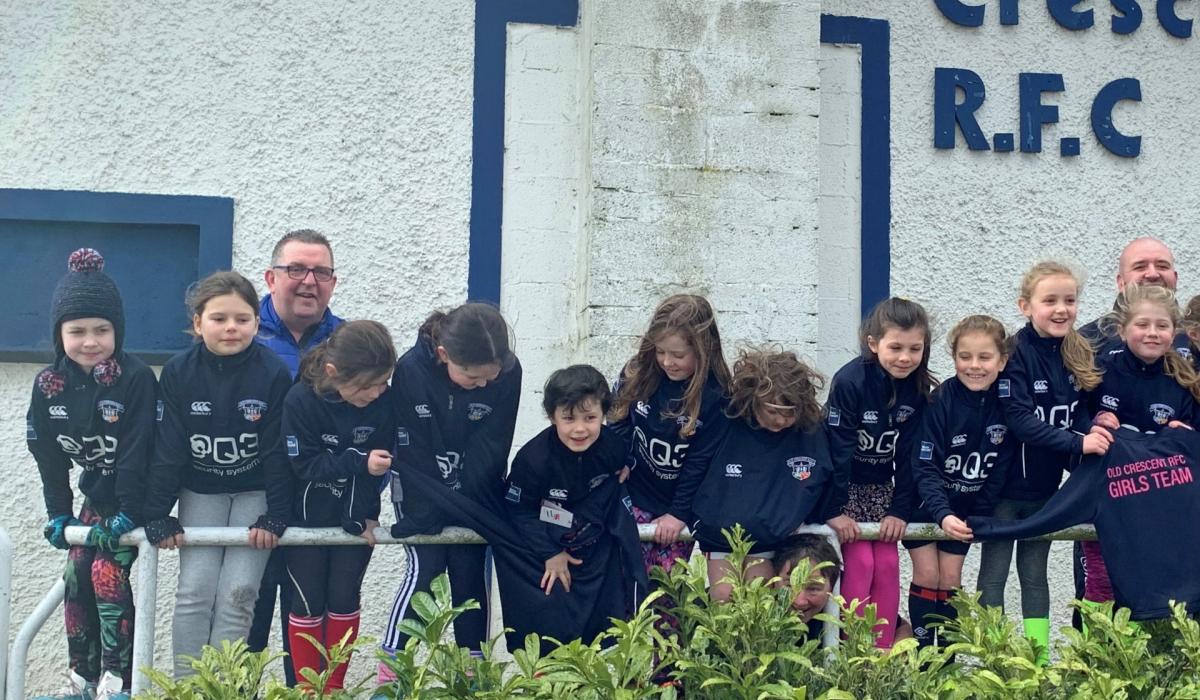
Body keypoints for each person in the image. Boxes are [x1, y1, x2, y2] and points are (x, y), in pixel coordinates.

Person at [141, 271, 292, 676]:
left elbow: (279, 452)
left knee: (239, 595)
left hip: (253, 494)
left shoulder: (274, 372)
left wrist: (277, 513)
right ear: (197, 323)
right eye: (219, 318)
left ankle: (221, 688)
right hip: (201, 492)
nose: (231, 328)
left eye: (242, 319)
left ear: (257, 324)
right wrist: (158, 512)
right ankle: (189, 687)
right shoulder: (177, 372)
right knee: (195, 592)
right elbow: (168, 447)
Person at [26, 249, 157, 700]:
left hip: (135, 497)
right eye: (76, 331)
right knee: (76, 574)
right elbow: (49, 457)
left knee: (107, 574)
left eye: (102, 330)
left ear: (117, 332)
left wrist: (129, 512)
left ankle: (117, 679)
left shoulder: (135, 378)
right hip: (94, 498)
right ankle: (81, 675)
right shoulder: (48, 386)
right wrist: (59, 514)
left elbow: (139, 454)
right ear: (59, 333)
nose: (90, 341)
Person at [976, 261, 1108, 660]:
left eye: (1069, 300)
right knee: (994, 576)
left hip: (1045, 492)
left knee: (1035, 578)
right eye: (1049, 300)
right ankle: (992, 660)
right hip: (1002, 492)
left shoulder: (1076, 350)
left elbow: (1079, 413)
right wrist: (1079, 442)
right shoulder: (1013, 355)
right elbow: (1021, 422)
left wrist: (1097, 431)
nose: (1061, 309)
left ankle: (1037, 660)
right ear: (1025, 306)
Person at [381, 303, 522, 677]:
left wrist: (465, 499)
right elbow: (413, 447)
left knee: (469, 570)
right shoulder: (411, 370)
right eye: (473, 378)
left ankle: (473, 676)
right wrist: (433, 507)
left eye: (490, 378)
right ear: (444, 355)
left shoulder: (508, 373)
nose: (484, 385)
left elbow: (494, 443)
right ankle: (393, 673)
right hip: (419, 486)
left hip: (475, 491)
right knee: (425, 569)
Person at [970, 425, 1200, 623]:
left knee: (1035, 577)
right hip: (1014, 495)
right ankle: (1077, 661)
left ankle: (1046, 659)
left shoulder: (1187, 440)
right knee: (1098, 584)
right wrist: (1084, 435)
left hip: (1054, 488)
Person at [250, 230, 344, 685]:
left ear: (333, 281)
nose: (309, 281)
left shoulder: (350, 344)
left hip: (319, 507)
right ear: (271, 277)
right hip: (253, 501)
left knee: (310, 638)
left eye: (320, 272)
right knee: (245, 618)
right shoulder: (242, 336)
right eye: (296, 270)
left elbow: (381, 425)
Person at [282, 320, 396, 691]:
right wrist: (356, 460)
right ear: (332, 373)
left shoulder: (383, 402)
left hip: (354, 520)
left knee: (345, 598)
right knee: (307, 602)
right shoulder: (300, 399)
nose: (377, 393)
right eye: (367, 386)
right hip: (305, 521)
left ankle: (332, 690)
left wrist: (366, 515)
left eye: (383, 383)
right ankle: (307, 690)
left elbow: (377, 468)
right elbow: (304, 465)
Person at [500, 364, 648, 649]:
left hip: (594, 555)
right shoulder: (533, 460)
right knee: (550, 631)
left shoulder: (614, 448)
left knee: (603, 635)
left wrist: (627, 467)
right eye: (568, 418)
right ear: (552, 417)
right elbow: (517, 509)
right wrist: (550, 553)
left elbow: (625, 468)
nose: (580, 429)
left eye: (590, 418)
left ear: (604, 415)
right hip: (545, 554)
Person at [1077, 285, 1200, 612]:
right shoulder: (1099, 370)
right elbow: (1073, 418)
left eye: (1161, 326)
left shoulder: (1183, 380)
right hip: (1107, 503)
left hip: (1156, 507)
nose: (1152, 333)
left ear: (1175, 333)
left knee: (1155, 586)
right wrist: (1092, 421)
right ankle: (1096, 657)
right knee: (1102, 585)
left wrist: (1186, 434)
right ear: (1122, 329)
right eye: (1142, 325)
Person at [822, 297, 936, 648]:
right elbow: (837, 451)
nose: (905, 357)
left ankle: (882, 653)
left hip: (881, 490)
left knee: (886, 564)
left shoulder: (917, 387)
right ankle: (854, 651)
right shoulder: (850, 381)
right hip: (843, 490)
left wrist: (900, 509)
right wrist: (834, 510)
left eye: (914, 349)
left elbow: (911, 456)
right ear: (874, 344)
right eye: (896, 347)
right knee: (861, 564)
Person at [903, 315, 1014, 648]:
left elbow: (999, 470)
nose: (974, 366)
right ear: (954, 359)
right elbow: (924, 466)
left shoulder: (1006, 405)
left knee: (951, 579)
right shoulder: (939, 403)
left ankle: (949, 659)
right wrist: (942, 513)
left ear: (1002, 361)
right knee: (928, 575)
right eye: (965, 357)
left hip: (965, 511)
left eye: (985, 357)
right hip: (927, 507)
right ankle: (925, 660)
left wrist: (978, 513)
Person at [690, 348, 833, 602]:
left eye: (790, 413)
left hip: (770, 540)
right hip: (722, 535)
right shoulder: (727, 419)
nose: (781, 420)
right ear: (753, 397)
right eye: (773, 411)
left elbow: (823, 475)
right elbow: (696, 464)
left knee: (762, 602)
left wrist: (810, 515)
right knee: (724, 598)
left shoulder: (809, 431)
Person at [607, 294, 731, 576]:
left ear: (703, 350)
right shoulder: (637, 371)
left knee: (663, 587)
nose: (667, 361)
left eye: (678, 355)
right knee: (619, 579)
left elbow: (701, 463)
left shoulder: (716, 396)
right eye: (660, 351)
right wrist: (620, 457)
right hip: (632, 494)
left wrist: (678, 513)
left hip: (676, 505)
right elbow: (617, 417)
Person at [1080, 237, 1189, 357]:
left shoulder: (1195, 334)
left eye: (1162, 266)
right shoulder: (1089, 341)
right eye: (1140, 267)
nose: (1152, 274)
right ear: (1121, 282)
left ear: (1175, 278)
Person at [773, 534, 842, 643]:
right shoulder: (753, 632)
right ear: (774, 581)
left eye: (813, 589)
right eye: (790, 586)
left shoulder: (842, 630)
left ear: (832, 588)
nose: (799, 601)